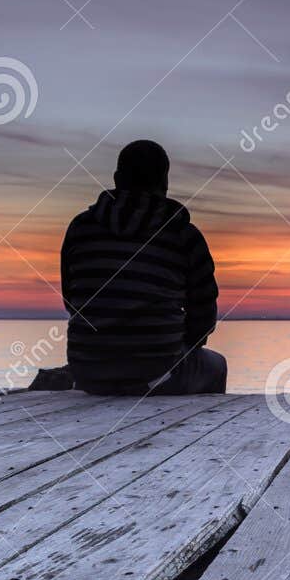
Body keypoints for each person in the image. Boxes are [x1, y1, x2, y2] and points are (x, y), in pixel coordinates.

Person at [60, 139, 226, 395]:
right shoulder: (182, 235)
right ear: (164, 182)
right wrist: (180, 344)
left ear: (116, 178)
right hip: (157, 374)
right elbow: (203, 315)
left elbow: (72, 301)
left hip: (88, 371)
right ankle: (199, 431)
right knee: (217, 365)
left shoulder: (81, 228)